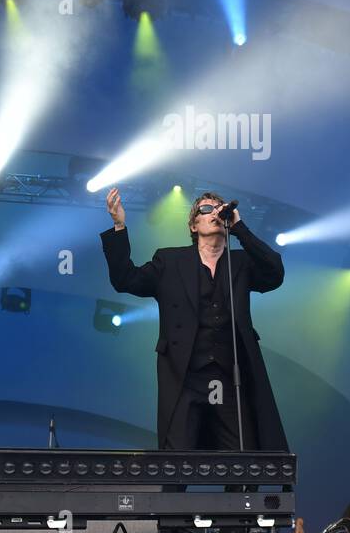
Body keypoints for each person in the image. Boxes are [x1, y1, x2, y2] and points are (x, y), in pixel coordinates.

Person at [100, 188, 288, 451]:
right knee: (176, 462)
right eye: (206, 209)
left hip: (230, 376)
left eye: (219, 208)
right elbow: (125, 279)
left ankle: (240, 493)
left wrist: (239, 227)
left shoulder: (241, 263)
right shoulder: (169, 261)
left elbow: (275, 273)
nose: (214, 213)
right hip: (185, 376)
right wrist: (119, 226)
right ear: (193, 224)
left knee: (242, 463)